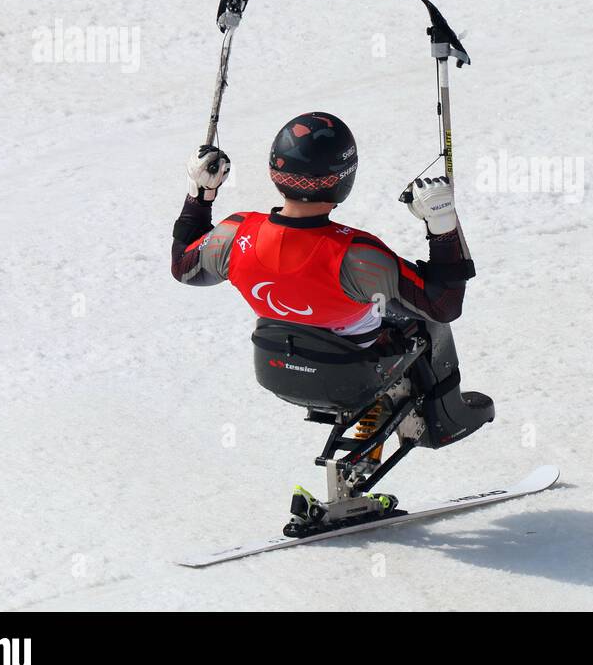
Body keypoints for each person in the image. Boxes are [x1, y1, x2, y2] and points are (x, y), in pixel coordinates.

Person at [169, 111, 491, 442]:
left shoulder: (236, 233)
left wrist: (199, 194)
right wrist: (442, 230)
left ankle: (384, 415)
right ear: (343, 179)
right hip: (353, 374)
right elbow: (444, 303)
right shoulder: (358, 255)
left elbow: (184, 266)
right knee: (424, 320)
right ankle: (446, 422)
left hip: (278, 367)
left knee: (382, 304)